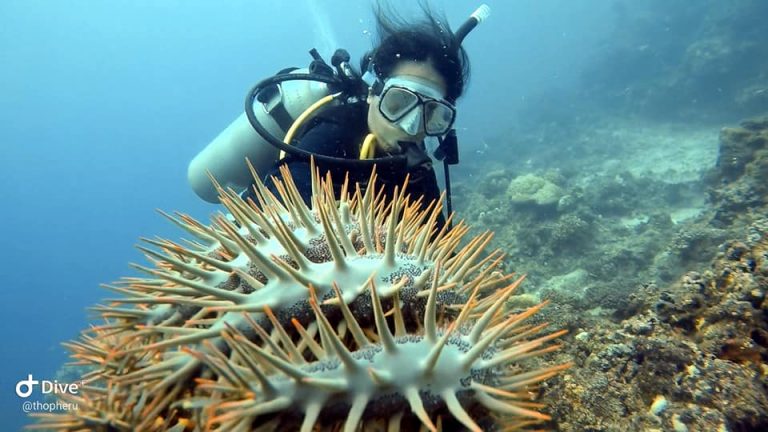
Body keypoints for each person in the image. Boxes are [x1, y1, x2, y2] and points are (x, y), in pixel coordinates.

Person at [243, 4, 471, 231]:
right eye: (399, 102)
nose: (411, 127)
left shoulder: (417, 172)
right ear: (372, 91)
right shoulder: (332, 134)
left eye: (431, 114)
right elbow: (279, 219)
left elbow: (436, 244)